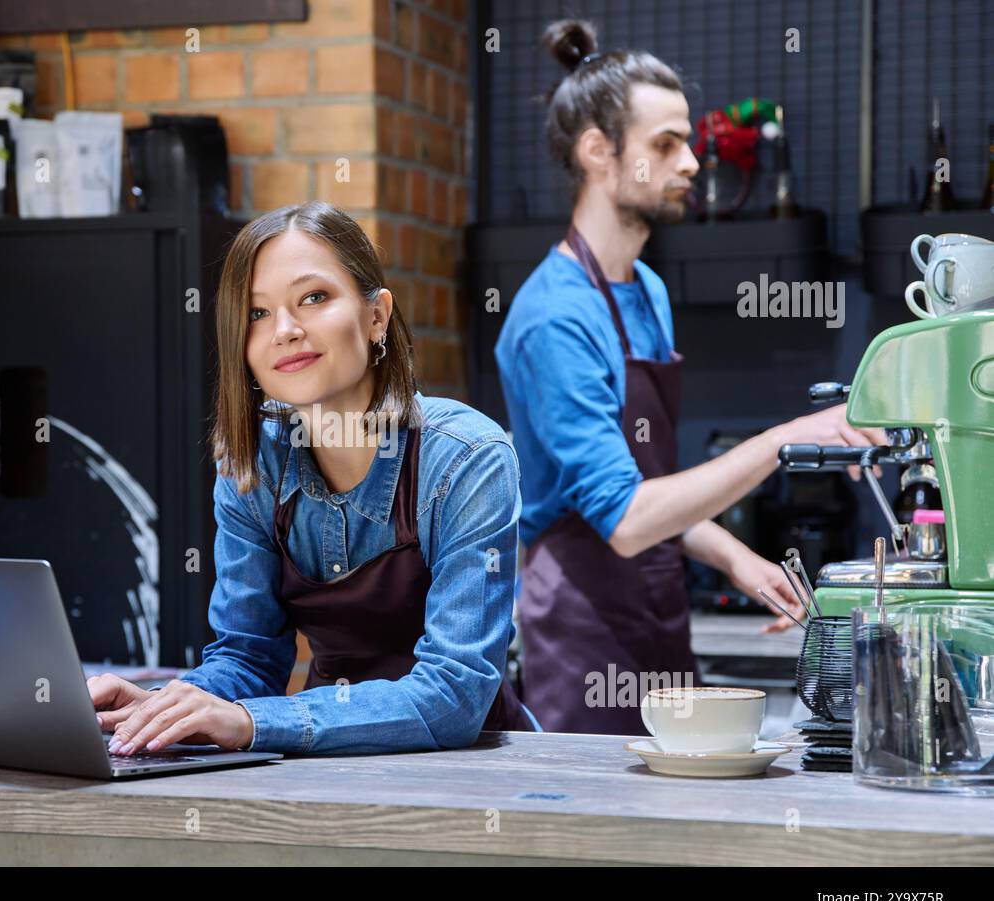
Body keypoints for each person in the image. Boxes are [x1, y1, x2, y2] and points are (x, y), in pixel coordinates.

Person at [494, 20, 885, 734]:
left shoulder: (646, 290)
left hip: (657, 609)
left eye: (688, 141)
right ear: (598, 153)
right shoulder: (553, 319)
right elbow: (626, 518)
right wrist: (791, 436)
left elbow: (651, 493)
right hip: (583, 626)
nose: (693, 163)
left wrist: (738, 559)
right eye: (665, 144)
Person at [88, 200, 540, 756]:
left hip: (476, 771)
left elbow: (455, 696)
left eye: (314, 298)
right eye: (256, 314)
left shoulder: (468, 458)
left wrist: (254, 724)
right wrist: (161, 707)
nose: (284, 330)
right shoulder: (251, 462)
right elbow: (247, 659)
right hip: (322, 768)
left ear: (376, 316)